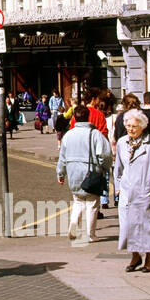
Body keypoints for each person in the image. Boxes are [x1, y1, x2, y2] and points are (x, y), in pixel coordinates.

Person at [115, 109, 150, 273]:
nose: (130, 129)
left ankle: (149, 259)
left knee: (147, 227)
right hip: (126, 192)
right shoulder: (122, 142)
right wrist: (117, 187)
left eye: (134, 126)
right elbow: (118, 168)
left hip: (147, 192)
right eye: (128, 125)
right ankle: (135, 256)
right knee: (127, 227)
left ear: (142, 126)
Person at [57, 104, 113, 244]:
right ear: (88, 117)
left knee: (78, 201)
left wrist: (60, 174)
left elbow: (62, 157)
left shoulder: (68, 135)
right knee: (92, 204)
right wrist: (105, 168)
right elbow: (105, 155)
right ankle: (90, 234)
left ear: (75, 117)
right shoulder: (95, 134)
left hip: (73, 173)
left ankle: (73, 227)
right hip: (91, 173)